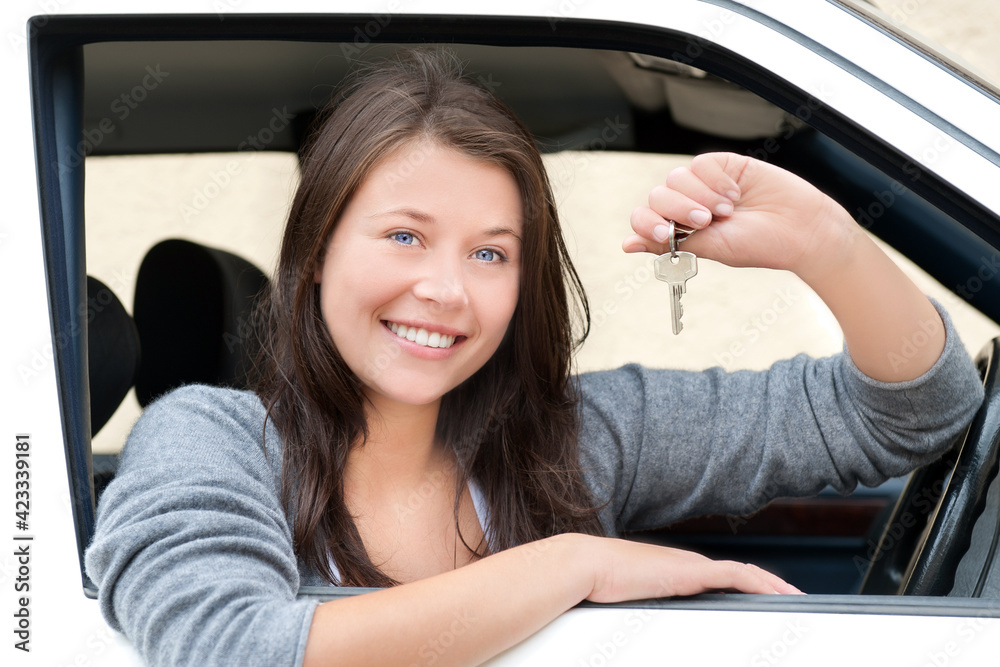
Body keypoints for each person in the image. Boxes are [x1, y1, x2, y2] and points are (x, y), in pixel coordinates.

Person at [85, 49, 984, 666]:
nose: (446, 288)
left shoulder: (577, 436)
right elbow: (225, 645)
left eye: (490, 253)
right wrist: (576, 565)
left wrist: (829, 243)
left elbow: (914, 408)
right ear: (317, 252)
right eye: (404, 235)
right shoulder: (208, 438)